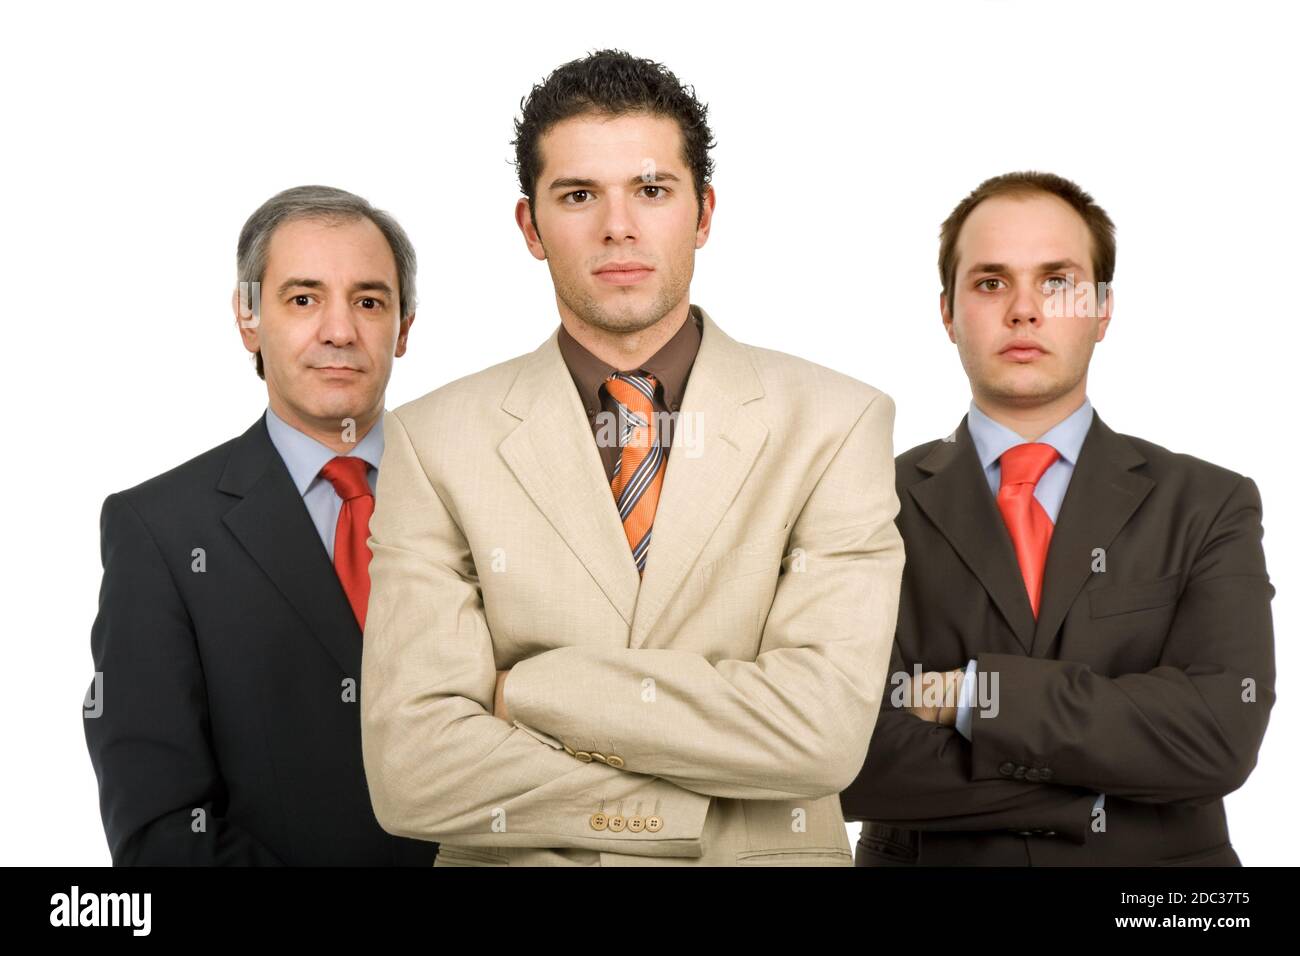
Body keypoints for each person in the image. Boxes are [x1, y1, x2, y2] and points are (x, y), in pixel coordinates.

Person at [359, 50, 905, 866]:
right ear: (530, 227)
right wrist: (690, 806)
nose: (619, 226)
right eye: (579, 195)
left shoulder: (836, 423)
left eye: (651, 191)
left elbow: (819, 735)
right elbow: (413, 770)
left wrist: (529, 691)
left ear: (704, 213)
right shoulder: (433, 440)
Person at [839, 171, 1275, 865]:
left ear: (1103, 309)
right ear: (948, 312)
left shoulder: (1208, 504)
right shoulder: (859, 500)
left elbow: (1218, 736)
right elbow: (844, 754)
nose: (1023, 310)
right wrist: (1101, 789)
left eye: (1057, 282)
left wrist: (977, 695)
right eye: (990, 283)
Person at [83, 185, 437, 865]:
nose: (340, 331)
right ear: (249, 320)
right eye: (303, 299)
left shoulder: (479, 498)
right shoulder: (159, 532)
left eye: (369, 301)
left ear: (405, 326)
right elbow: (160, 829)